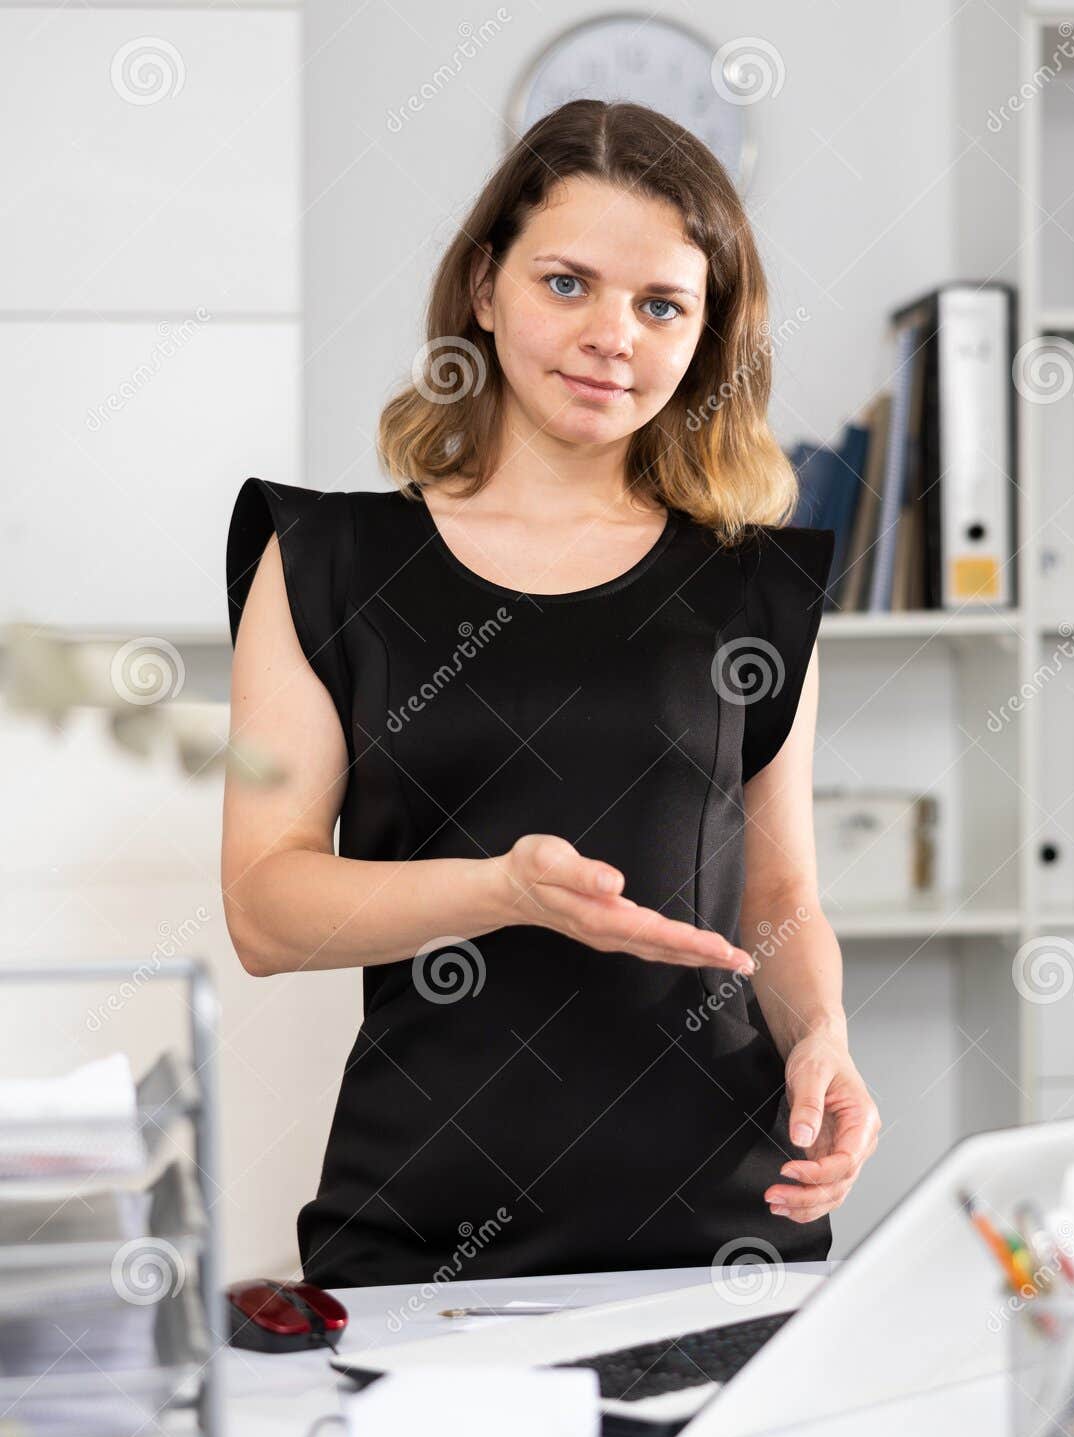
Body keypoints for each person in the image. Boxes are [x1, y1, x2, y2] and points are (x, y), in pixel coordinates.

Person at [222, 99, 880, 1291]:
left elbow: (779, 897)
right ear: (484, 286)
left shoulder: (753, 584)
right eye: (567, 283)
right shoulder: (325, 559)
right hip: (424, 1234)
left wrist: (821, 1036)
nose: (610, 336)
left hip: (722, 1228)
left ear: (705, 336)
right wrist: (503, 891)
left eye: (660, 305)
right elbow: (266, 911)